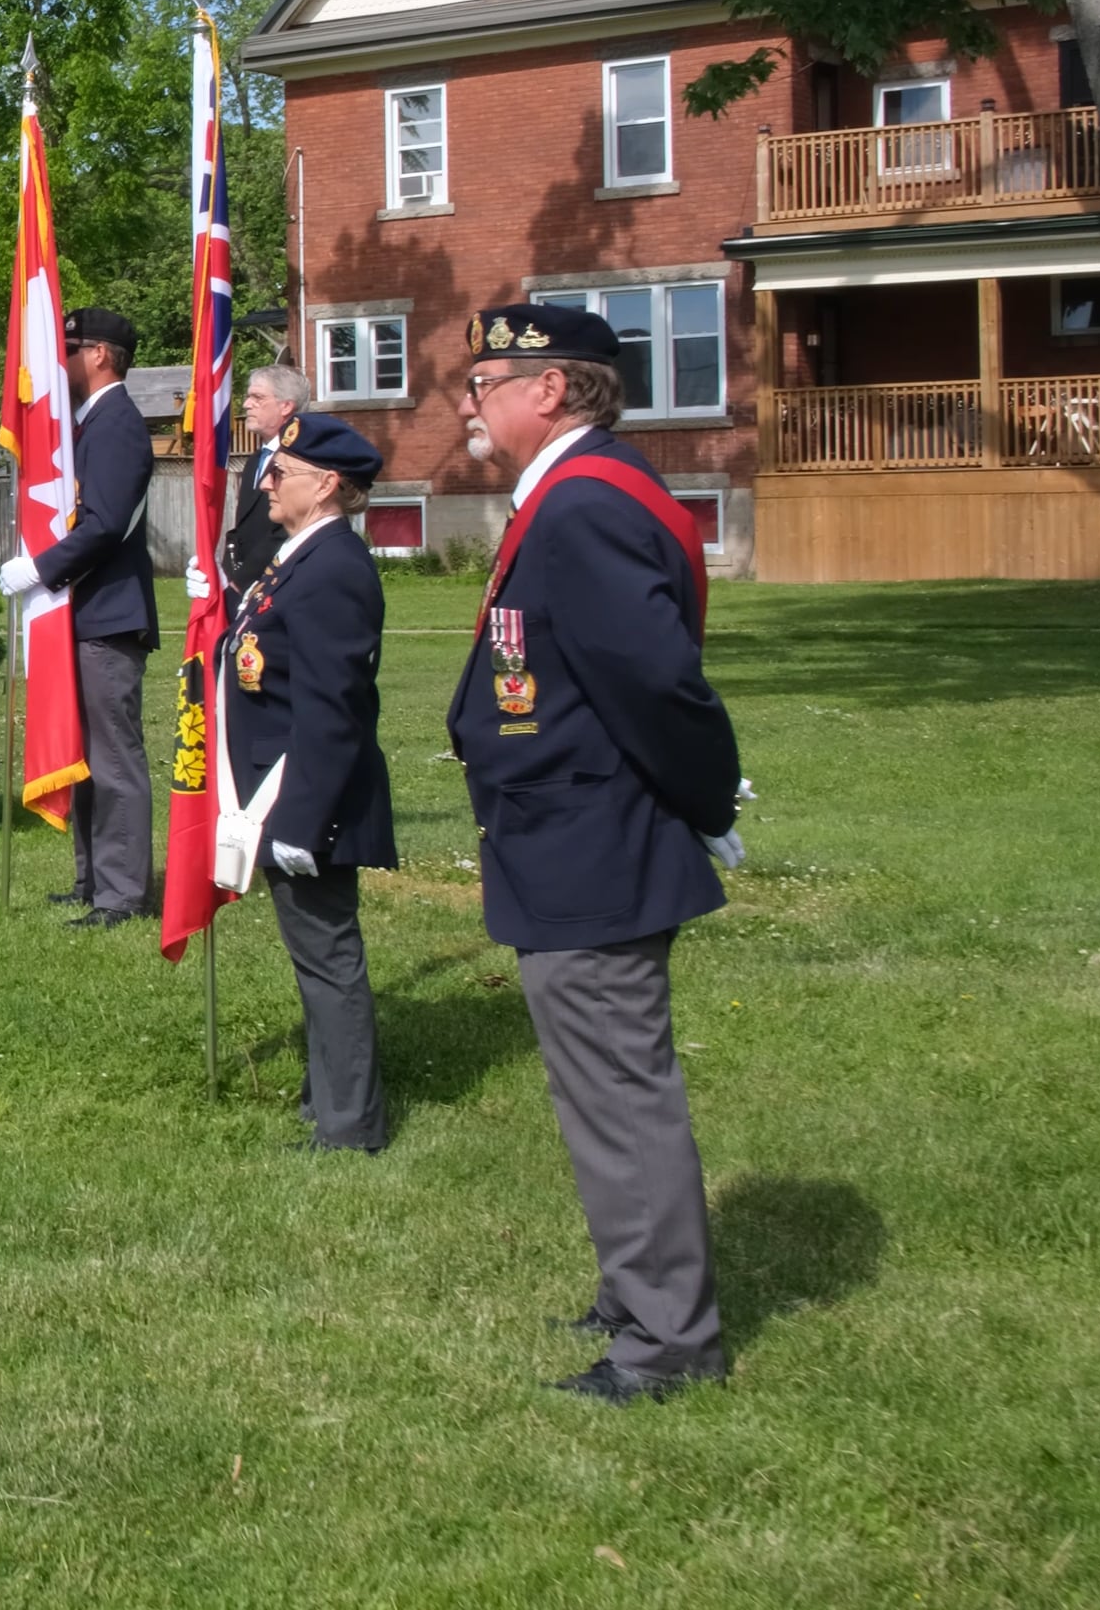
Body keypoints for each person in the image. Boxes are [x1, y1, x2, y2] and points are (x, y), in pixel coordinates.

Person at [450, 301, 747, 1405]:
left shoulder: (584, 508)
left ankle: (671, 1339)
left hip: (596, 845)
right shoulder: (573, 498)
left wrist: (707, 799)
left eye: (483, 382)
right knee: (598, 1098)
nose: (468, 402)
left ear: (555, 390)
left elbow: (658, 683)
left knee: (622, 1101)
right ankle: (639, 1290)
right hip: (563, 840)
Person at [218, 411, 398, 1153]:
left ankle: (350, 1124)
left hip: (308, 803)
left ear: (326, 486)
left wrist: (302, 822)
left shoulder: (332, 571)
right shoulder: (296, 558)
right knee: (313, 958)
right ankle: (326, 1096)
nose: (266, 483)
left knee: (330, 962)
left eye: (280, 473)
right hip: (285, 797)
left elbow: (333, 712)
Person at [0, 307, 159, 927]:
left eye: (68, 351)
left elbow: (104, 525)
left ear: (99, 356)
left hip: (109, 616)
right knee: (86, 755)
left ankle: (121, 894)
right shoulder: (91, 423)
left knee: (114, 759)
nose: (56, 364)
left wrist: (39, 568)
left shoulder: (116, 423)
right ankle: (94, 879)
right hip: (83, 611)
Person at [198, 362, 312, 601]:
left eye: (257, 397)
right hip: (244, 588)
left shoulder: (302, 462)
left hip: (279, 587)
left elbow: (287, 531)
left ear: (286, 406)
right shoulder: (255, 461)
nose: (246, 404)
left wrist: (238, 584)